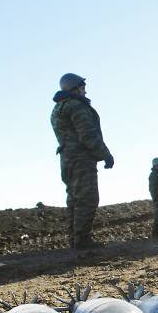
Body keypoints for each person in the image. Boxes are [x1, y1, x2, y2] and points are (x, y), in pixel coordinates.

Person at [50, 73, 115, 249]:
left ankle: (75, 239)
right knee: (88, 198)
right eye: (82, 87)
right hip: (81, 159)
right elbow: (87, 135)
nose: (85, 91)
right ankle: (82, 239)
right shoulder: (76, 107)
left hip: (67, 160)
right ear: (74, 88)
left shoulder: (58, 108)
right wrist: (105, 155)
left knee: (74, 199)